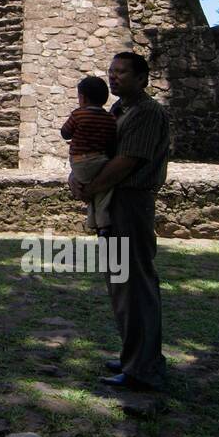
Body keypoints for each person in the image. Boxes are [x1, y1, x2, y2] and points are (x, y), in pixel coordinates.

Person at [69, 51, 169, 392]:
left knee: (134, 285)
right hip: (113, 201)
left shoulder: (146, 113)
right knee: (120, 284)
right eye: (111, 72)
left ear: (142, 78)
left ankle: (142, 367)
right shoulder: (117, 111)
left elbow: (126, 162)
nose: (114, 77)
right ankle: (135, 356)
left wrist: (91, 188)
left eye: (122, 72)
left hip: (128, 202)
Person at [61, 76, 118, 232]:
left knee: (91, 191)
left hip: (79, 163)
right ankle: (103, 223)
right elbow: (112, 140)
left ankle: (92, 223)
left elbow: (65, 133)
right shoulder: (110, 118)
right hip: (100, 161)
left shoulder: (78, 115)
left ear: (83, 98)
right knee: (103, 192)